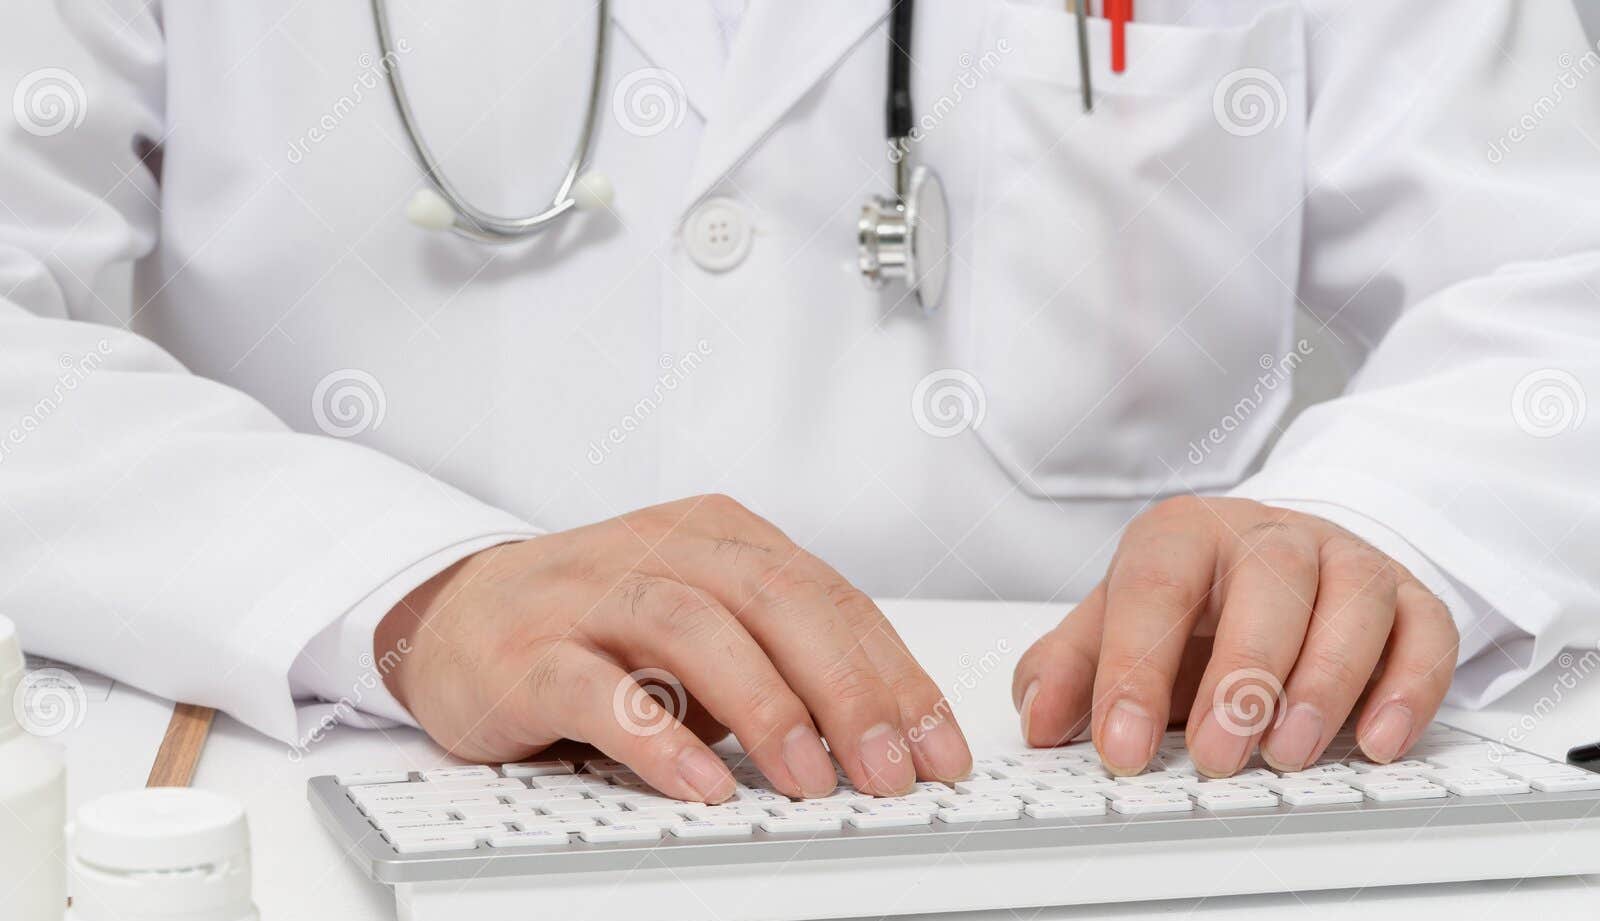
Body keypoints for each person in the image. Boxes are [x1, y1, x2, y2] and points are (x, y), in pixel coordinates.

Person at [4, 1, 1598, 803]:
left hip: (1114, 814)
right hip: (368, 796)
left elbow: (1556, 279)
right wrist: (407, 591)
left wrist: (1376, 528)